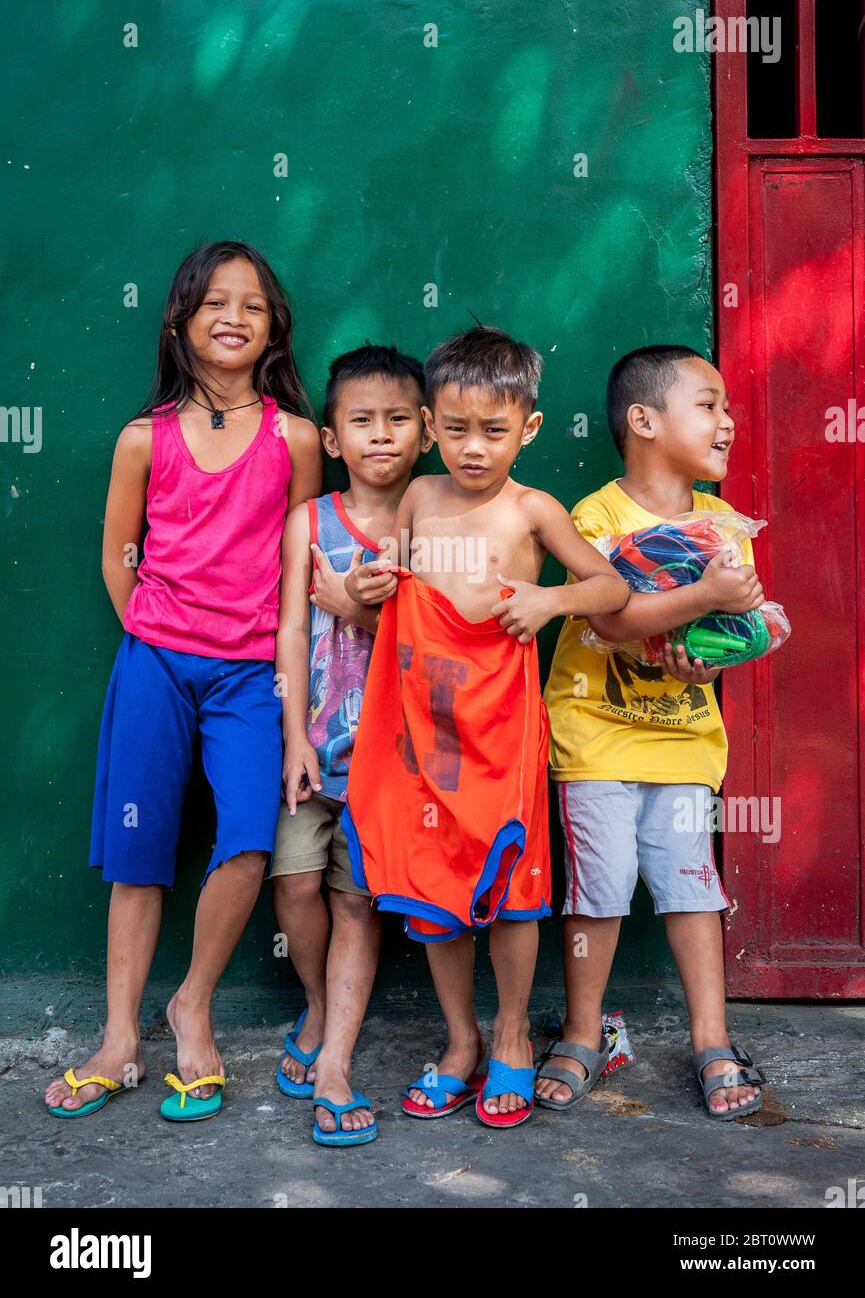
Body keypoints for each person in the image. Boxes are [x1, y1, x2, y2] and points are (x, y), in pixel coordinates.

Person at [44, 241, 321, 1122]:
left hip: (253, 676)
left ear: (274, 325)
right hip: (155, 666)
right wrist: (157, 634)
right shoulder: (143, 438)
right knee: (138, 851)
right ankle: (119, 1038)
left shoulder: (297, 438)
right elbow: (116, 558)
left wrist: (276, 672)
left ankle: (190, 1004)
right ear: (180, 322)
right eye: (213, 303)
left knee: (246, 837)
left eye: (252, 304)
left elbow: (301, 570)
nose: (233, 317)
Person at [344, 325, 629, 1128]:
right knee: (433, 889)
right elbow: (388, 587)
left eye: (494, 432)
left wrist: (549, 601)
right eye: (457, 430)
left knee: (509, 893)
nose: (473, 449)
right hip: (422, 728)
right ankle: (461, 1041)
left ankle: (510, 1033)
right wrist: (371, 582)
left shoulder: (533, 508)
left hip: (501, 727)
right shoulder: (418, 497)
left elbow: (608, 588)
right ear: (430, 425)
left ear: (527, 429)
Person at [537, 345, 768, 1120]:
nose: (727, 421)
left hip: (682, 740)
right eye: (708, 404)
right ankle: (583, 1033)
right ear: (644, 420)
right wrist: (704, 591)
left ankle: (711, 1038)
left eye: (725, 407)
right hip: (595, 732)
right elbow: (607, 612)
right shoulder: (595, 516)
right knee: (597, 892)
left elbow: (725, 635)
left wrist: (715, 656)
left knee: (691, 887)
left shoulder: (722, 526)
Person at [271, 344, 430, 1146]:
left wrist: (359, 608)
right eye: (361, 421)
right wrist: (295, 734)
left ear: (425, 431)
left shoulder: (433, 522)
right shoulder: (309, 521)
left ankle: (335, 1061)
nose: (380, 436)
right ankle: (316, 1003)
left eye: (397, 419)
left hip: (391, 762)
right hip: (316, 750)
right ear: (331, 439)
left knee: (354, 903)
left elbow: (435, 648)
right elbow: (293, 628)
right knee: (295, 887)